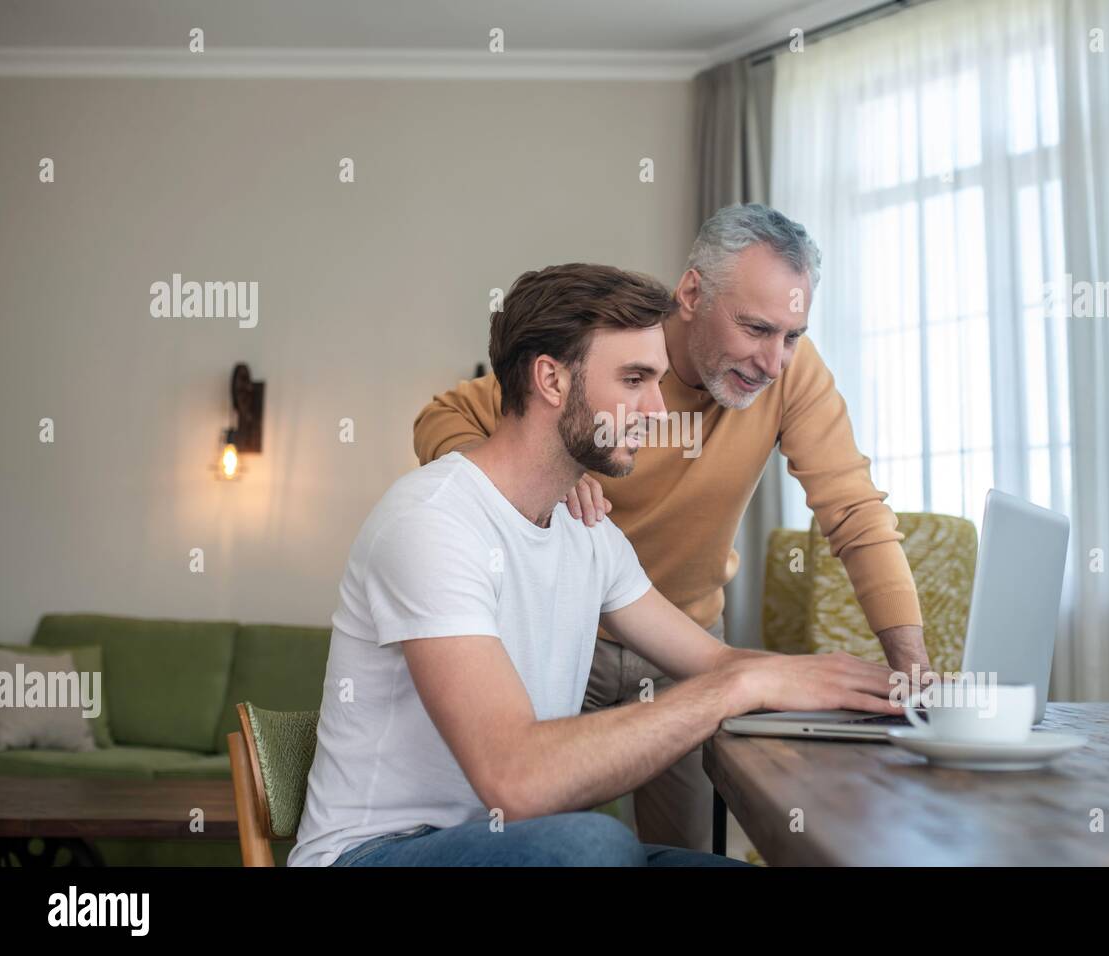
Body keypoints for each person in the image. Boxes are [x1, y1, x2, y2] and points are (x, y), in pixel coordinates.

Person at [289, 262, 904, 867]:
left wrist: (861, 689)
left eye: (658, 382)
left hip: (523, 848)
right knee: (592, 844)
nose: (660, 412)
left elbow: (714, 661)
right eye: (634, 379)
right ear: (552, 381)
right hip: (379, 852)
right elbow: (518, 779)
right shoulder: (432, 522)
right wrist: (734, 689)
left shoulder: (591, 536)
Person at [412, 205, 930, 850]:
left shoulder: (791, 374)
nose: (774, 362)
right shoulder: (614, 351)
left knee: (684, 846)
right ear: (690, 295)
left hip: (687, 640)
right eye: (756, 328)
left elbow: (853, 511)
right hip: (569, 634)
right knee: (545, 840)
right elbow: (444, 418)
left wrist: (913, 671)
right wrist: (542, 475)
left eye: (792, 335)